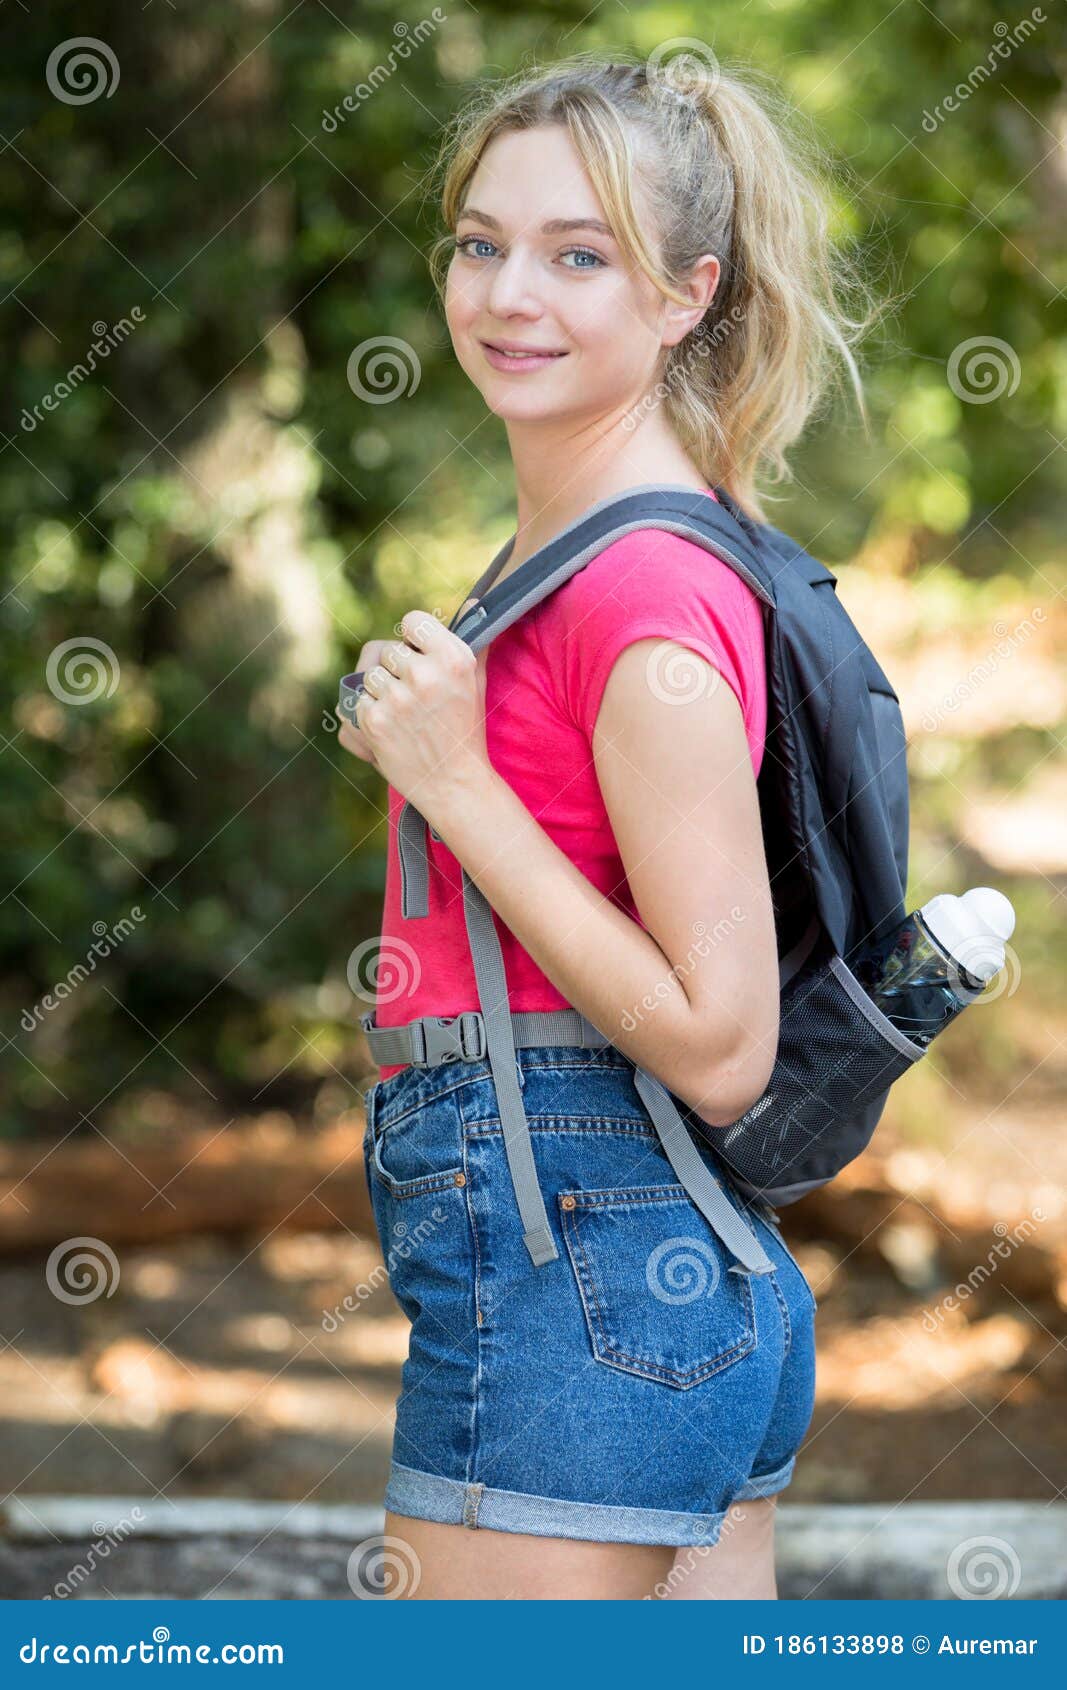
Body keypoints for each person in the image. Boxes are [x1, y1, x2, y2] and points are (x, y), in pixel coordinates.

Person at [338, 50, 872, 1600]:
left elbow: (721, 1040)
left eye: (583, 256)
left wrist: (458, 784)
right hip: (635, 1264)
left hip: (584, 1268)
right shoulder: (571, 556)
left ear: (685, 297)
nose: (512, 293)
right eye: (483, 242)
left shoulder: (640, 597)